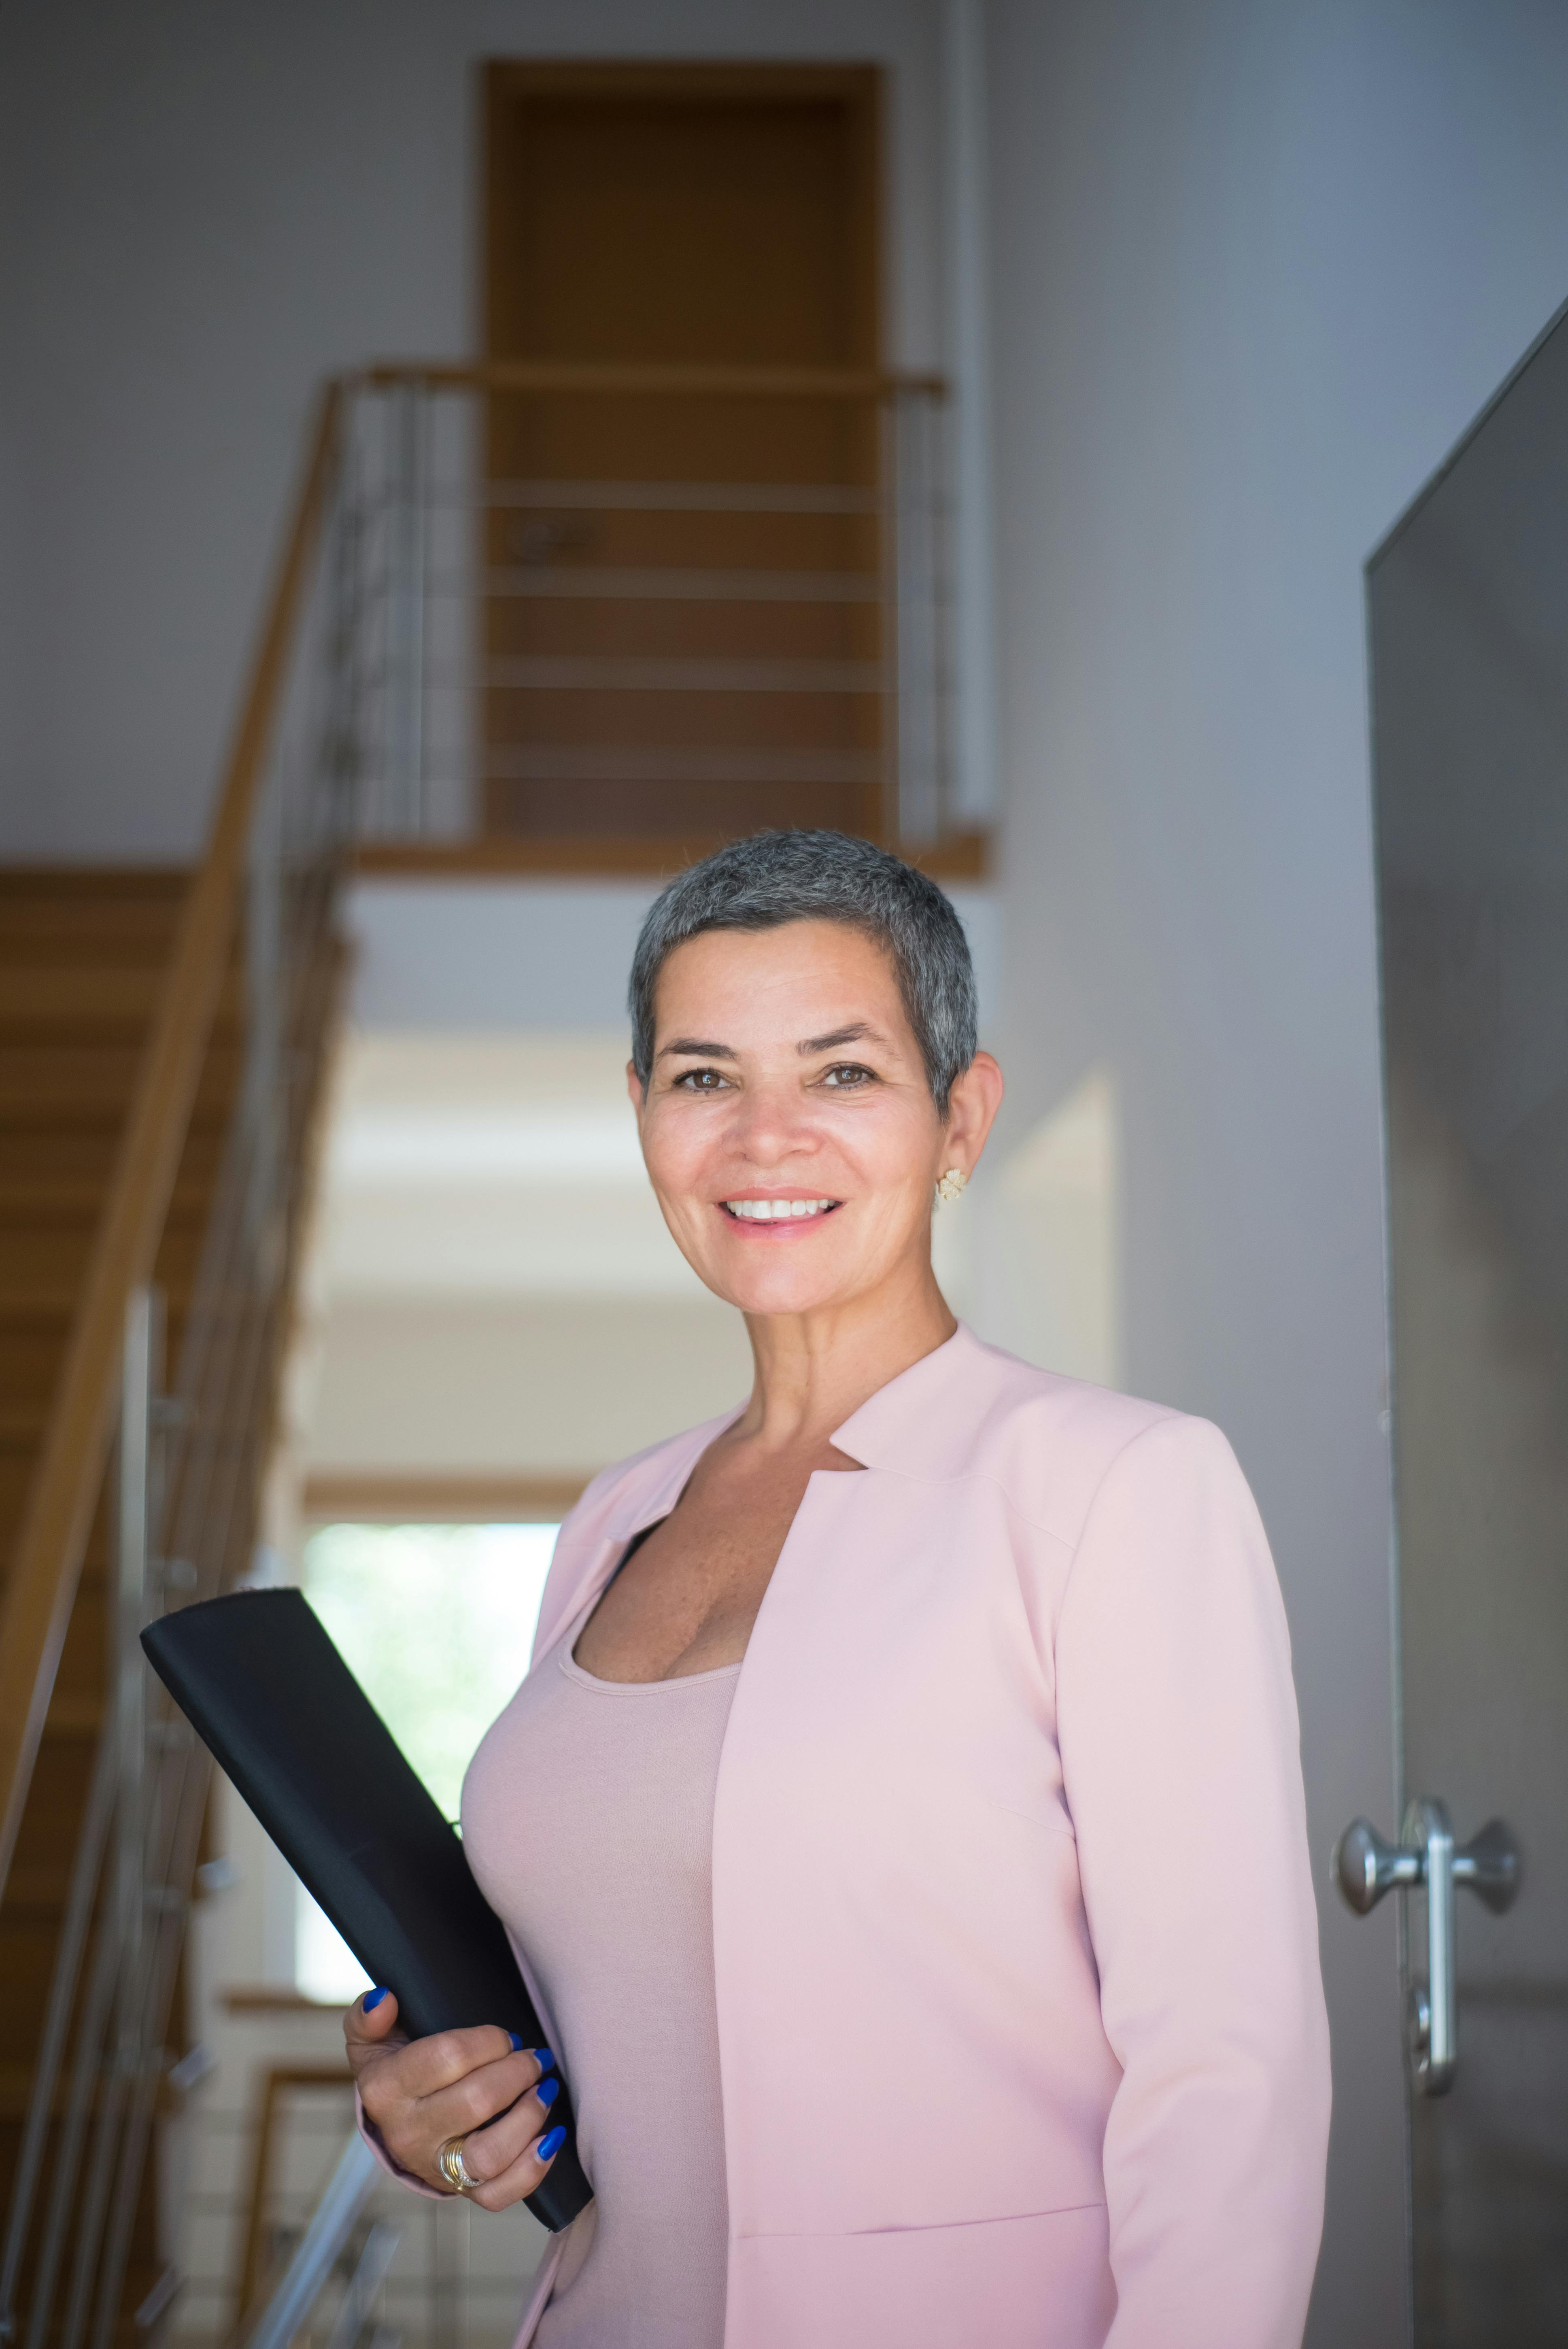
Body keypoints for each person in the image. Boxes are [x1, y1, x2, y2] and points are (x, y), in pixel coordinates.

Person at [345, 828, 1330, 2349]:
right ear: (642, 1117)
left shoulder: (1110, 1484)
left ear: (960, 1116)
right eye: (702, 1075)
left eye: (842, 1072)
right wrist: (438, 2104)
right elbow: (611, 2012)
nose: (763, 1137)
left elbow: (1227, 2080)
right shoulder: (617, 1514)